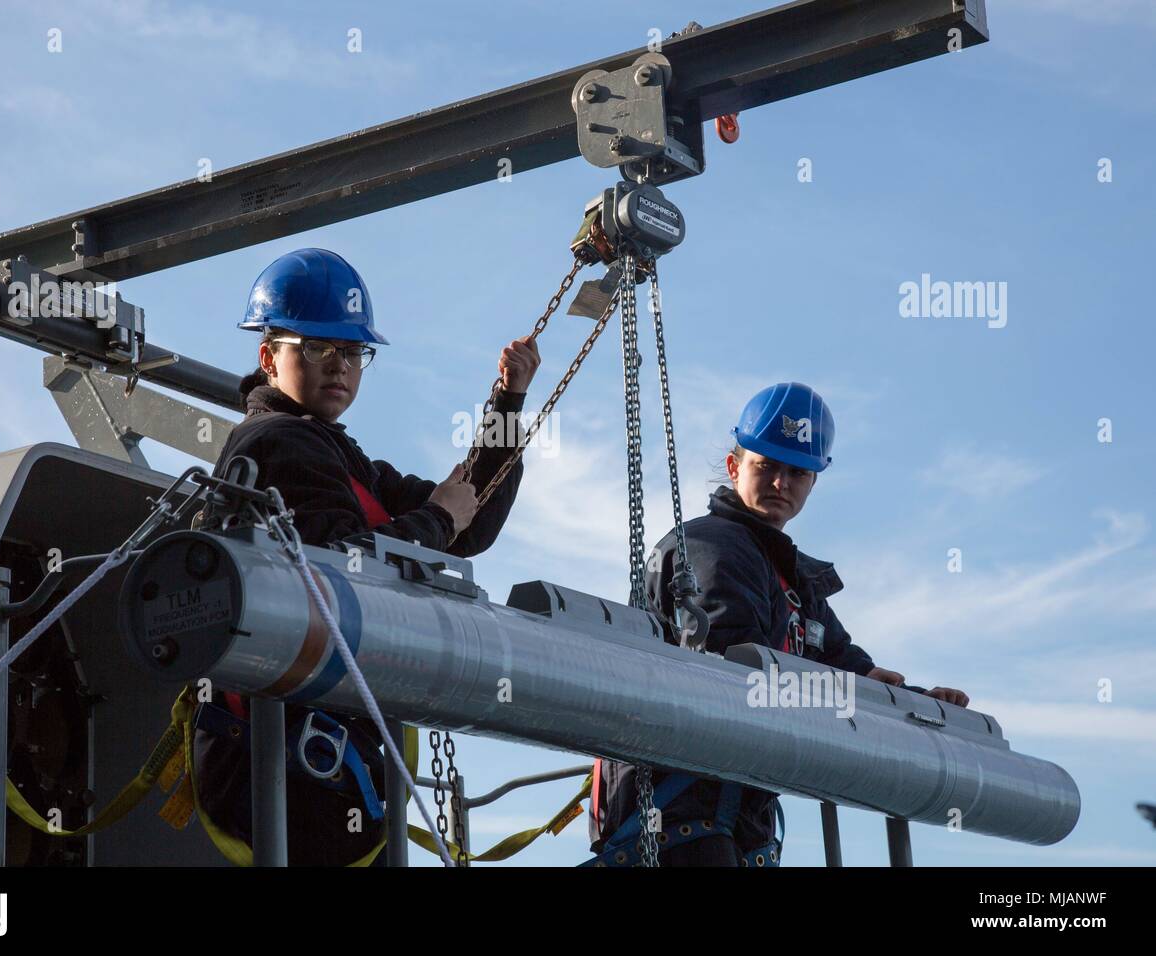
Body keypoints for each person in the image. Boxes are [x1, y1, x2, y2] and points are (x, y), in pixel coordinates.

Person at [193, 247, 540, 865]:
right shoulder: (276, 445)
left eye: (352, 353)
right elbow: (343, 569)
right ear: (270, 357)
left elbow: (470, 518)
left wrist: (507, 403)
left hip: (315, 761)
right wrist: (437, 520)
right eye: (319, 349)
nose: (339, 366)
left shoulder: (338, 457)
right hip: (288, 762)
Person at [590, 382, 968, 867]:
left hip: (734, 812)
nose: (780, 483)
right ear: (734, 467)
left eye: (796, 472)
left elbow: (846, 665)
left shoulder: (790, 577)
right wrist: (845, 688)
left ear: (814, 481)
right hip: (672, 808)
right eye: (765, 466)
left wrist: (915, 700)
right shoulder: (714, 548)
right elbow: (737, 672)